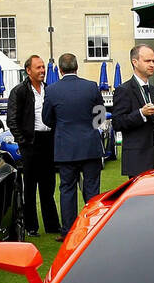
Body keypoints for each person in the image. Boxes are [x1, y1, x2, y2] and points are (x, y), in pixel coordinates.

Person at [41, 52, 106, 239]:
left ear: (60, 70)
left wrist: (62, 126)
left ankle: (68, 230)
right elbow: (100, 116)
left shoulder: (52, 90)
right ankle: (93, 227)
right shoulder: (91, 87)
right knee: (92, 189)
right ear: (77, 67)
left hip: (66, 147)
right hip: (90, 145)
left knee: (67, 189)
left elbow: (46, 119)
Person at [7, 54, 60, 237]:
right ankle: (31, 226)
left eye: (43, 67)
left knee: (48, 186)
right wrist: (23, 141)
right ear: (28, 71)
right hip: (30, 142)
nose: (42, 70)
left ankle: (52, 225)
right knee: (29, 187)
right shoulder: (19, 91)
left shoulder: (50, 89)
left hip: (48, 141)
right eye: (38, 67)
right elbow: (12, 120)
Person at [115, 44, 154, 179]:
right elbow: (117, 123)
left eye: (153, 61)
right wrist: (141, 113)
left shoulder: (153, 90)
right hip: (138, 157)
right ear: (134, 62)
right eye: (147, 61)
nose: (152, 64)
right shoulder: (124, 90)